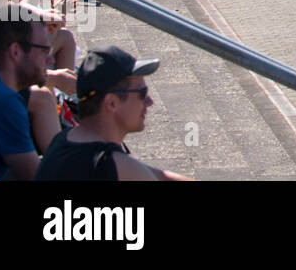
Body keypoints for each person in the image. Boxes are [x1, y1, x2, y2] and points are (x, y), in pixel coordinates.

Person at [36, 45, 192, 181]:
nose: (150, 101)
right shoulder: (113, 166)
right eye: (142, 93)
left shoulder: (64, 141)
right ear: (111, 103)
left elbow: (161, 176)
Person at [0, 14, 50, 180]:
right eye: (45, 50)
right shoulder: (4, 101)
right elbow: (36, 177)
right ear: (15, 51)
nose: (51, 59)